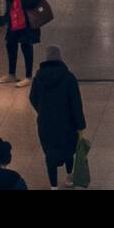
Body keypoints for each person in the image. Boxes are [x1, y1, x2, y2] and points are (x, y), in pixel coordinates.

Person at [28, 45, 86, 190]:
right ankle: (69, 176)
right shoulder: (68, 78)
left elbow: (32, 98)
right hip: (67, 123)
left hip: (46, 123)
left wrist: (42, 111)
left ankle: (53, 186)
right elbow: (76, 103)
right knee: (68, 150)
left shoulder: (38, 78)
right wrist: (80, 124)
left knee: (50, 154)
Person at [0, 0, 42, 86]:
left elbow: (33, 2)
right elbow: (17, 2)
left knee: (26, 46)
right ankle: (11, 74)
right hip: (15, 20)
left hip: (26, 22)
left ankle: (28, 76)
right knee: (10, 44)